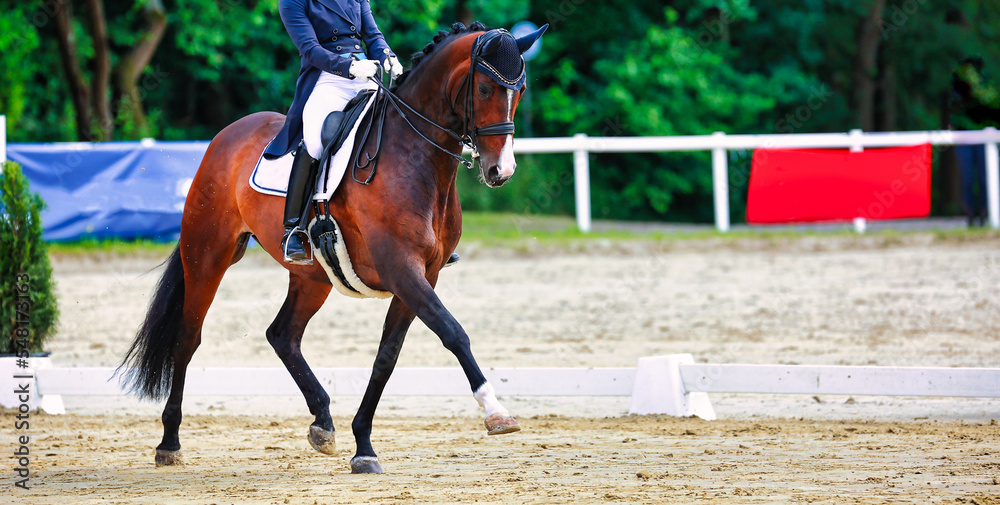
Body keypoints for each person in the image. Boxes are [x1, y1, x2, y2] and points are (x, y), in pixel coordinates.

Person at [267, 0, 404, 264]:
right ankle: (293, 230)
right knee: (316, 143)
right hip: (328, 78)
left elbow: (372, 35)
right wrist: (348, 67)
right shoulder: (293, 2)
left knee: (399, 129)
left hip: (367, 74)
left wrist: (388, 55)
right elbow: (309, 49)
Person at [949, 57, 1000, 226]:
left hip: (985, 135)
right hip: (964, 136)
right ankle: (970, 217)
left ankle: (987, 215)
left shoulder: (989, 83)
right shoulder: (958, 86)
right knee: (968, 179)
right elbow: (955, 111)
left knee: (987, 178)